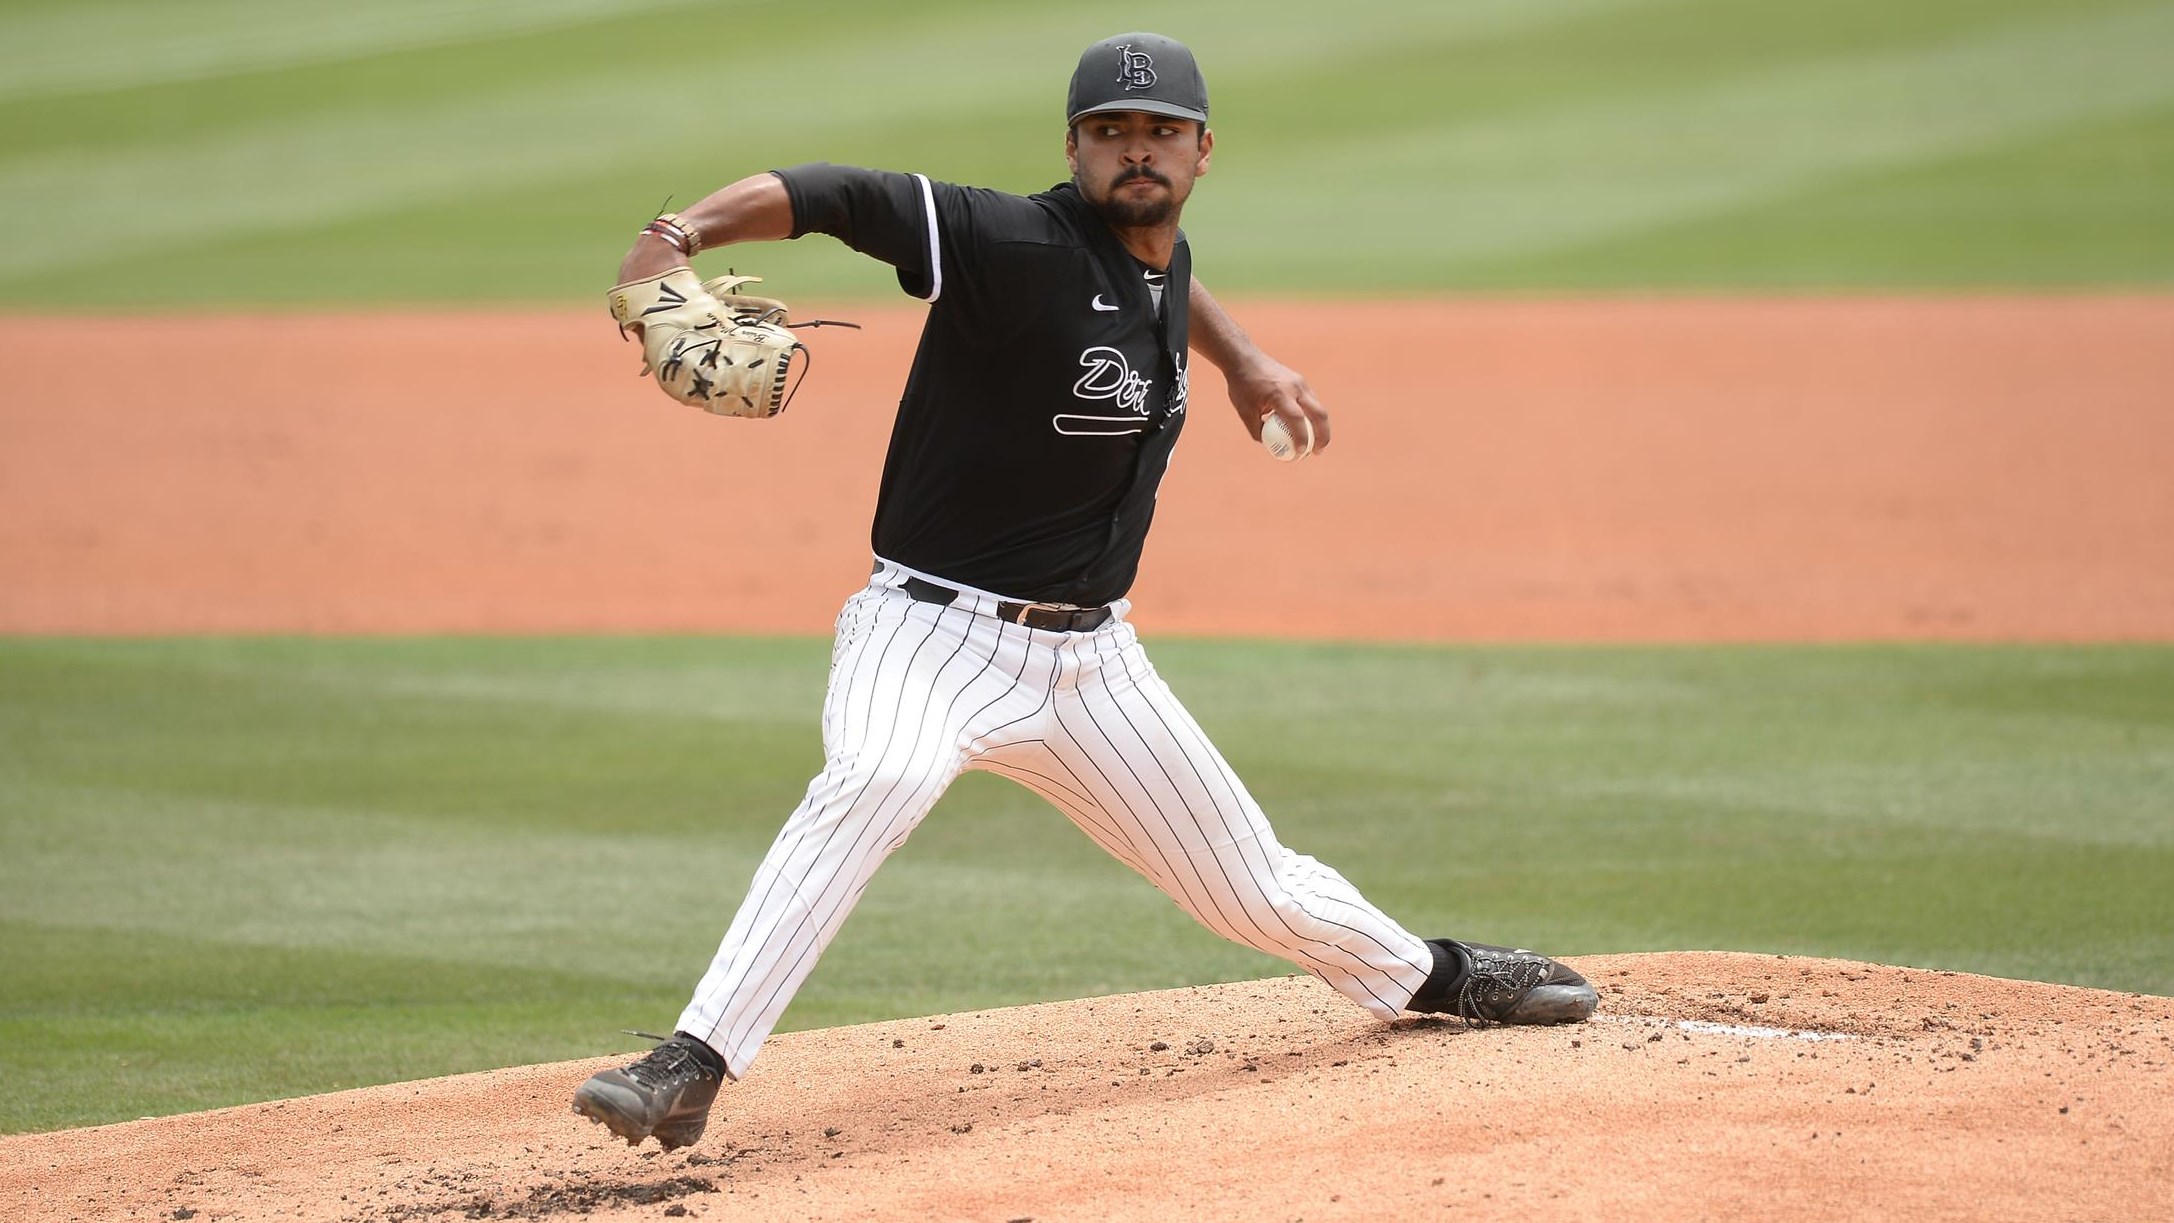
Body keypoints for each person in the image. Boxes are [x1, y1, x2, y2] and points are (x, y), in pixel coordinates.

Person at [573, 31, 1597, 1151]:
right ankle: (692, 1060)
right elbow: (830, 193)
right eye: (1110, 132)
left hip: (1092, 666)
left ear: (1203, 150)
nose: (1136, 151)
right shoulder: (1010, 239)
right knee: (880, 772)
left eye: (1160, 131)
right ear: (1072, 148)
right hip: (928, 635)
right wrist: (670, 238)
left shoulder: (1155, 257)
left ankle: (1431, 975)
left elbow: (1167, 283)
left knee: (1247, 885)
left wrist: (1242, 358)